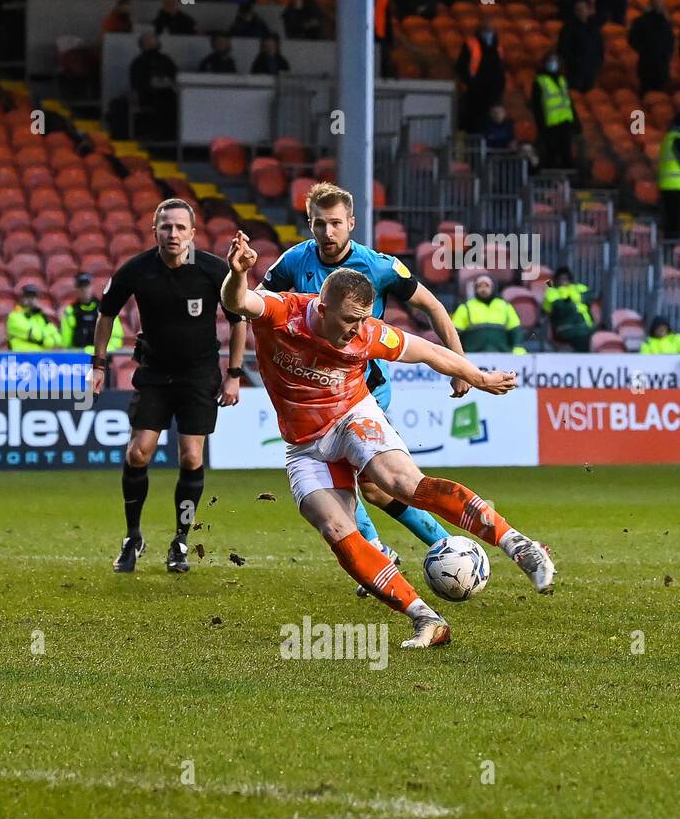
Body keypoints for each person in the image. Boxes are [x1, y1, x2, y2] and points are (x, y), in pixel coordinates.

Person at [224, 242, 556, 648]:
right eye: (348, 320)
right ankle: (426, 619)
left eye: (362, 320)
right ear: (323, 309)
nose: (355, 330)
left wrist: (480, 377)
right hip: (305, 444)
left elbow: (430, 352)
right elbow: (237, 301)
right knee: (335, 528)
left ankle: (520, 546)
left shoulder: (367, 332)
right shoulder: (283, 311)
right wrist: (238, 272)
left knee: (401, 483)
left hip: (353, 417)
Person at [260, 182, 466, 595]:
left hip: (363, 390)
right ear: (310, 223)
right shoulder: (291, 263)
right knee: (369, 486)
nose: (328, 232)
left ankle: (406, 549)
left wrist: (458, 365)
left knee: (361, 480)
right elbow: (258, 306)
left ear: (351, 223)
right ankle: (437, 546)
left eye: (336, 223)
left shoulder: (379, 266)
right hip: (315, 393)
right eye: (320, 223)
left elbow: (433, 306)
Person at [88, 198, 246, 575]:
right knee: (138, 453)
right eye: (166, 227)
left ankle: (180, 540)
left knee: (191, 457)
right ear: (154, 231)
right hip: (155, 374)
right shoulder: (138, 269)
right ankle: (133, 536)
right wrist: (97, 365)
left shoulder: (213, 269)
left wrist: (234, 373)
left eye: (179, 227)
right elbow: (105, 314)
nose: (172, 233)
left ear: (192, 232)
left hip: (198, 376)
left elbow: (239, 320)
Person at [451, 274, 527, 354]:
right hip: (472, 357)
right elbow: (455, 333)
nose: (483, 289)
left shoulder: (505, 306)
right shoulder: (465, 307)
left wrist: (517, 347)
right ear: (475, 289)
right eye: (480, 286)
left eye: (487, 286)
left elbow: (515, 331)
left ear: (493, 288)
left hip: (502, 357)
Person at [455, 15, 506, 133]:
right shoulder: (471, 44)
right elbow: (461, 67)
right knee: (474, 124)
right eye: (486, 29)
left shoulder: (498, 47)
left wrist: (500, 88)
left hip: (493, 92)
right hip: (475, 93)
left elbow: (500, 68)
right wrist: (471, 84)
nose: (489, 32)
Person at [128, 32, 178, 140]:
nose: (151, 44)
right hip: (148, 96)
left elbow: (175, 76)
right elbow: (136, 83)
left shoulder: (166, 59)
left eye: (153, 41)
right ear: (142, 45)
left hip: (168, 94)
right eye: (148, 41)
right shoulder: (138, 62)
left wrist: (165, 81)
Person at [532, 52, 576, 170]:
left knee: (567, 155)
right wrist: (541, 126)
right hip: (550, 125)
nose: (553, 64)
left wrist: (575, 122)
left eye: (555, 61)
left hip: (565, 123)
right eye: (550, 61)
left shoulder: (562, 80)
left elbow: (568, 102)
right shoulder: (540, 81)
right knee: (551, 155)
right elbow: (536, 106)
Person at [62, 272, 123, 353]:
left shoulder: (105, 309)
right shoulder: (70, 311)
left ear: (91, 287)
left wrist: (99, 350)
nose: (84, 290)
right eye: (81, 286)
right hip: (78, 359)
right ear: (76, 289)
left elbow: (117, 338)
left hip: (102, 358)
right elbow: (66, 343)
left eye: (86, 286)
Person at [628, 0, 675, 95]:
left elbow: (670, 42)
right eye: (656, 2)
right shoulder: (641, 21)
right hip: (647, 65)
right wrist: (645, 51)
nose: (658, 5)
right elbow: (633, 40)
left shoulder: (665, 22)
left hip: (662, 65)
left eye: (660, 2)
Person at [543, 267, 595, 351]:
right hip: (566, 327)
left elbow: (589, 296)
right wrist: (568, 302)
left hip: (586, 326)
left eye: (566, 278)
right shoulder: (553, 292)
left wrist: (578, 298)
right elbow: (551, 308)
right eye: (560, 279)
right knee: (581, 338)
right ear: (556, 280)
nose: (563, 281)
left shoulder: (579, 288)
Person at [558, 0, 604, 93]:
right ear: (575, 12)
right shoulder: (569, 27)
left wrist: (598, 61)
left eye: (583, 9)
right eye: (579, 10)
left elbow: (599, 44)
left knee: (589, 93)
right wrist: (574, 62)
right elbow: (563, 48)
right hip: (575, 69)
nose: (582, 12)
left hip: (591, 67)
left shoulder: (593, 26)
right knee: (574, 93)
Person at [657, 113, 680, 239]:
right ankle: (670, 252)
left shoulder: (668, 139)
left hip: (668, 185)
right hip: (675, 186)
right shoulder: (676, 140)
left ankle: (669, 251)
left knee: (671, 222)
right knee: (674, 223)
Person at [8, 283, 61, 350]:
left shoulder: (40, 317)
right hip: (22, 359)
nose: (31, 300)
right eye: (27, 296)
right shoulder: (14, 317)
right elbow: (37, 336)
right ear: (21, 299)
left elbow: (57, 340)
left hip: (40, 358)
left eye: (34, 297)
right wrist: (47, 335)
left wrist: (43, 316)